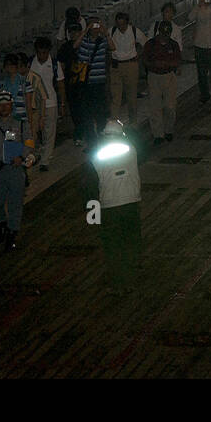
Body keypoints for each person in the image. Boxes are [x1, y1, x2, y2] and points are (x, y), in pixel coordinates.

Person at [0, 88, 33, 251]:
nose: (3, 108)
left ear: (12, 106)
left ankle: (12, 233)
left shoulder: (21, 125)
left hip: (14, 169)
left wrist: (22, 156)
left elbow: (29, 144)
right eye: (0, 105)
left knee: (15, 204)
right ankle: (2, 223)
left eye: (6, 105)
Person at [93, 121, 142, 293]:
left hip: (110, 205)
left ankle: (117, 283)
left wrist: (92, 215)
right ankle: (131, 279)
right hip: (130, 201)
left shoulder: (97, 154)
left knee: (113, 246)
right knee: (130, 241)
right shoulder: (131, 149)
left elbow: (91, 184)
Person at [141, 21, 182, 143]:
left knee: (170, 106)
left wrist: (167, 64)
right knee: (155, 106)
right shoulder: (151, 44)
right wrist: (154, 64)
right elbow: (145, 60)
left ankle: (169, 129)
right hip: (154, 76)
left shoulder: (173, 45)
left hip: (169, 76)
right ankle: (158, 134)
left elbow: (177, 60)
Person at [75, 15, 112, 145]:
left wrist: (105, 32)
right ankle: (90, 137)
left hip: (99, 82)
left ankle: (101, 132)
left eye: (97, 25)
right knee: (87, 112)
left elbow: (113, 47)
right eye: (93, 25)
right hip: (86, 83)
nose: (95, 28)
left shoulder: (102, 41)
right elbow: (75, 45)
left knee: (100, 110)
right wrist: (85, 30)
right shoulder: (85, 41)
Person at [25, 45, 62, 171]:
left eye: (45, 52)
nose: (42, 56)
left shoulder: (55, 63)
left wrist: (62, 103)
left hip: (51, 103)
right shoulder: (30, 63)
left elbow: (60, 83)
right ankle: (34, 155)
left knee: (49, 132)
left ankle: (45, 160)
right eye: (40, 52)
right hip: (34, 105)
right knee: (33, 132)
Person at [108, 12, 146, 126]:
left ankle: (133, 122)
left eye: (123, 25)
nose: (121, 28)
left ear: (127, 23)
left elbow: (145, 43)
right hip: (116, 65)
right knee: (116, 96)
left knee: (131, 95)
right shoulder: (111, 31)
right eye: (118, 25)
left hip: (131, 65)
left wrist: (138, 56)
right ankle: (114, 122)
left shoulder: (134, 31)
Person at [57, 24, 86, 146]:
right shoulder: (65, 47)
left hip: (85, 84)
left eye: (76, 31)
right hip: (71, 84)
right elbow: (61, 65)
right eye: (71, 31)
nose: (73, 34)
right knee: (75, 111)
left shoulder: (86, 45)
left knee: (85, 110)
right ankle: (79, 133)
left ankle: (83, 133)